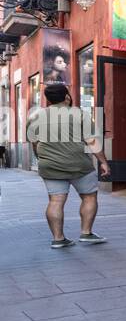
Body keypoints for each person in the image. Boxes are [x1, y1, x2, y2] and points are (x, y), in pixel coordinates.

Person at [25, 83, 110, 248]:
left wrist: (41, 158)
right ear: (66, 96)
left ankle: (58, 239)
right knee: (89, 196)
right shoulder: (79, 114)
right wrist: (104, 162)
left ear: (48, 99)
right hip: (80, 165)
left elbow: (34, 143)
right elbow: (92, 141)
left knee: (55, 201)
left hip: (50, 166)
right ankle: (86, 233)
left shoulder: (35, 117)